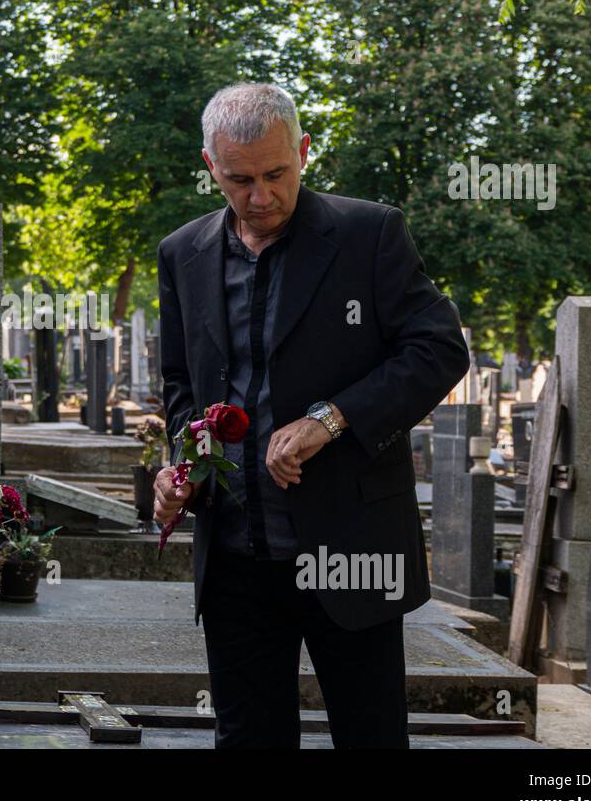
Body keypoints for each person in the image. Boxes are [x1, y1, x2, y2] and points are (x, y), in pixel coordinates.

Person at [154, 82, 469, 748]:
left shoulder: (369, 234)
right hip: (237, 556)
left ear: (302, 152)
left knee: (369, 737)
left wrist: (332, 419)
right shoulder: (181, 253)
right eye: (239, 180)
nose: (260, 196)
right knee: (247, 740)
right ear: (210, 166)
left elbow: (439, 349)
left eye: (277, 174)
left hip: (349, 549)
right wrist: (183, 465)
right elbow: (181, 381)